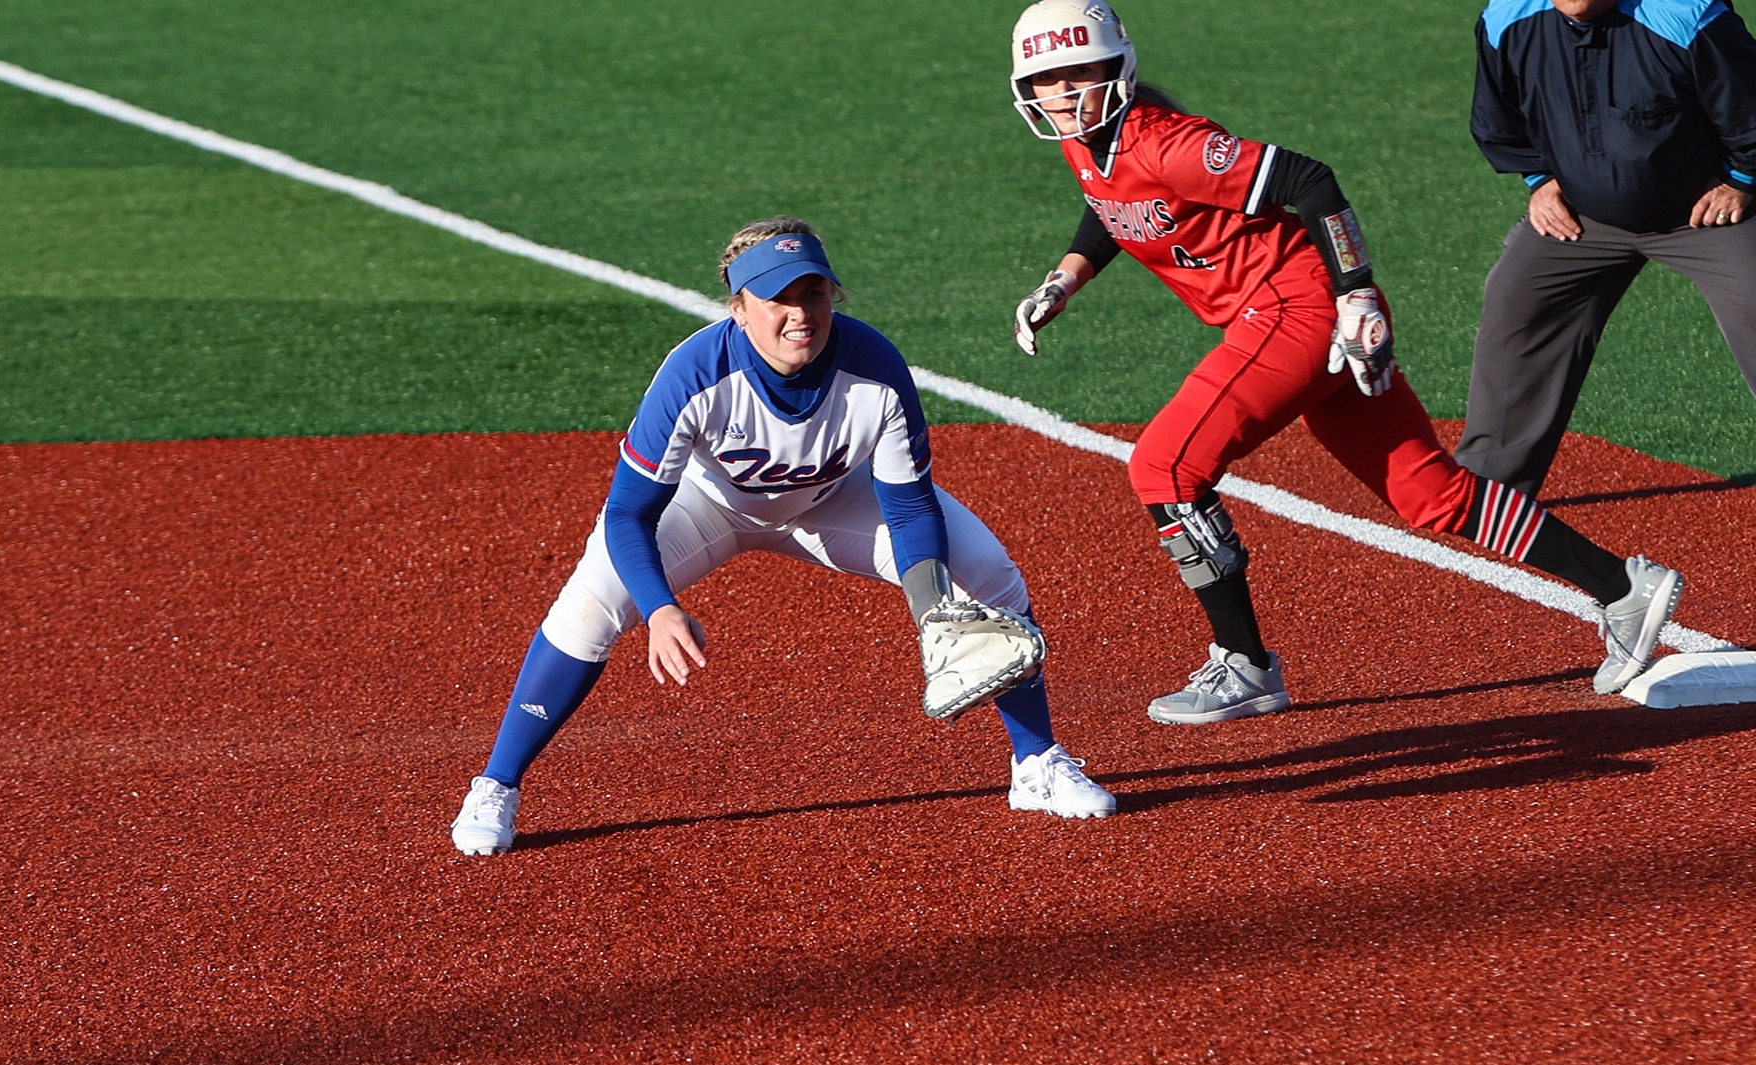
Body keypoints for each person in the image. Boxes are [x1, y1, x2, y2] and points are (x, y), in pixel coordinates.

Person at [1003, 0, 1687, 723]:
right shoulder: (1089, 142)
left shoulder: (1169, 143)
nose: (1066, 94)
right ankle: (1623, 587)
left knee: (1165, 468)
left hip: (1299, 312)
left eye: (1082, 73)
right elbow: (1111, 204)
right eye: (1049, 80)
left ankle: (1245, 663)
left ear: (1119, 67)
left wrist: (1356, 293)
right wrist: (1067, 276)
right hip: (1290, 315)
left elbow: (1310, 181)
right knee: (1431, 493)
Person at [451, 216, 1116, 857]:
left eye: (813, 292)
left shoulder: (877, 370)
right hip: (706, 508)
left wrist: (932, 615)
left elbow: (911, 510)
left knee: (989, 574)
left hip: (831, 501)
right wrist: (657, 610)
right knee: (589, 609)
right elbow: (629, 514)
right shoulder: (695, 376)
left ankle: (1037, 763)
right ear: (739, 309)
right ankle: (496, 785)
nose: (801, 312)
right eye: (778, 298)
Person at [1455, 0, 1756, 496]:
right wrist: (1541, 180)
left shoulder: (1687, 15)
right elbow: (1498, 117)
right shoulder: (1506, 18)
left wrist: (1741, 180)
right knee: (1517, 298)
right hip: (1584, 216)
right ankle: (1492, 491)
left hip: (1701, 213)